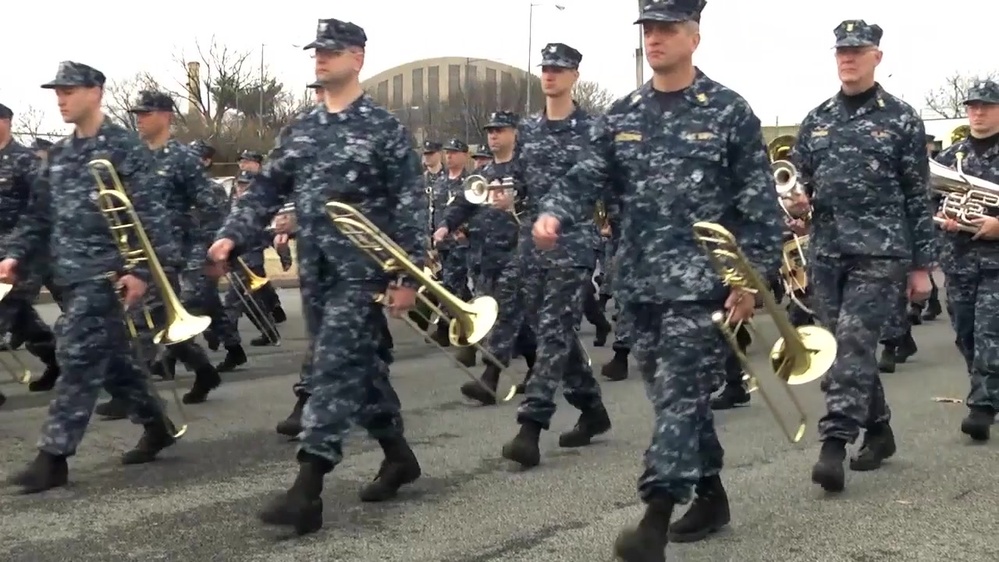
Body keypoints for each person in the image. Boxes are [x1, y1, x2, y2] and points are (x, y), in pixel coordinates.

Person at [533, 1, 782, 558]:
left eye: (668, 28)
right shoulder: (623, 113)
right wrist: (553, 211)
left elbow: (760, 208)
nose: (655, 39)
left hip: (703, 287)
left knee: (678, 396)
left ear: (694, 37)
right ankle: (712, 493)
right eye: (648, 28)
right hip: (638, 285)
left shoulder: (727, 111)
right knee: (679, 400)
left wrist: (751, 280)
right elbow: (583, 177)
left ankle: (655, 514)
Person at [208, 18, 424, 534]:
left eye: (332, 51)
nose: (320, 58)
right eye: (316, 51)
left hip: (365, 275)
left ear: (359, 58)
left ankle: (308, 489)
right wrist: (232, 233)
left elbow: (410, 205)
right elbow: (263, 190)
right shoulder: (301, 129)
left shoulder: (384, 129)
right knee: (361, 367)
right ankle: (398, 456)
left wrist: (407, 274)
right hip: (319, 275)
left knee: (329, 369)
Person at [0, 61, 180, 493]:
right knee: (114, 361)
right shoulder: (60, 154)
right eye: (57, 91)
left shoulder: (123, 147)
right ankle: (157, 424)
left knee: (76, 350)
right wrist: (15, 256)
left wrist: (139, 272)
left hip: (109, 275)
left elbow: (153, 215)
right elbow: (39, 215)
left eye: (69, 90)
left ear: (96, 91)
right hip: (70, 272)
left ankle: (53, 456)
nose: (60, 98)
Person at [787, 20, 935, 493]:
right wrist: (796, 209)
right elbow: (799, 187)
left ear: (877, 57)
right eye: (841, 51)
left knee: (852, 342)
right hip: (827, 251)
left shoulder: (903, 119)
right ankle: (880, 428)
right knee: (837, 350)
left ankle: (834, 445)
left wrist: (921, 267)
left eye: (857, 50)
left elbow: (918, 195)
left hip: (881, 251)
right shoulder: (816, 120)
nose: (847, 58)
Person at [499, 42, 610, 468]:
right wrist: (508, 198)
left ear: (574, 76)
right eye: (545, 68)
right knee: (552, 332)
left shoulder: (592, 129)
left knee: (553, 329)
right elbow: (523, 184)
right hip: (532, 242)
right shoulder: (528, 129)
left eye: (559, 69)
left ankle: (530, 427)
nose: (550, 75)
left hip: (575, 241)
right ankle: (593, 409)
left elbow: (600, 182)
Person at [933, 79, 999, 441]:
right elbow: (931, 205)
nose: (978, 112)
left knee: (991, 333)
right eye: (973, 106)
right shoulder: (949, 157)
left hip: (996, 263)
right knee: (966, 334)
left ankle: (982, 407)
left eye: (986, 106)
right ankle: (989, 389)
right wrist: (947, 219)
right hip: (957, 261)